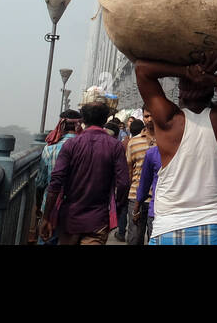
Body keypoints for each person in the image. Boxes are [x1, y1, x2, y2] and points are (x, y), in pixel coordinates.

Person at [134, 53, 217, 245]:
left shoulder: (169, 121)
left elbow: (141, 69)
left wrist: (186, 72)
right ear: (211, 91)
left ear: (180, 93)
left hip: (168, 227)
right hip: (214, 227)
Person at [39, 101, 129, 245]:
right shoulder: (115, 146)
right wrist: (116, 209)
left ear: (83, 120)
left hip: (70, 219)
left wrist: (47, 216)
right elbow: (123, 183)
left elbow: (55, 183)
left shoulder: (71, 145)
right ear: (105, 119)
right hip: (98, 219)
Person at [36, 110, 81, 244]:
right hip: (77, 208)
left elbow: (40, 183)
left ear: (61, 125)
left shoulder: (50, 148)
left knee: (47, 239)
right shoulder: (85, 148)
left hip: (50, 206)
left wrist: (38, 206)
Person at [120, 115, 155, 244]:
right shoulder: (133, 142)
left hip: (157, 198)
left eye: (152, 115)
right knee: (135, 238)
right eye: (146, 116)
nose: (149, 119)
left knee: (155, 237)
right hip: (136, 196)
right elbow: (128, 171)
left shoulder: (166, 140)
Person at [133, 144, 161, 246]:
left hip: (158, 211)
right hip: (158, 211)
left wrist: (136, 208)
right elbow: (144, 184)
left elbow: (144, 184)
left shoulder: (153, 153)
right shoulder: (152, 153)